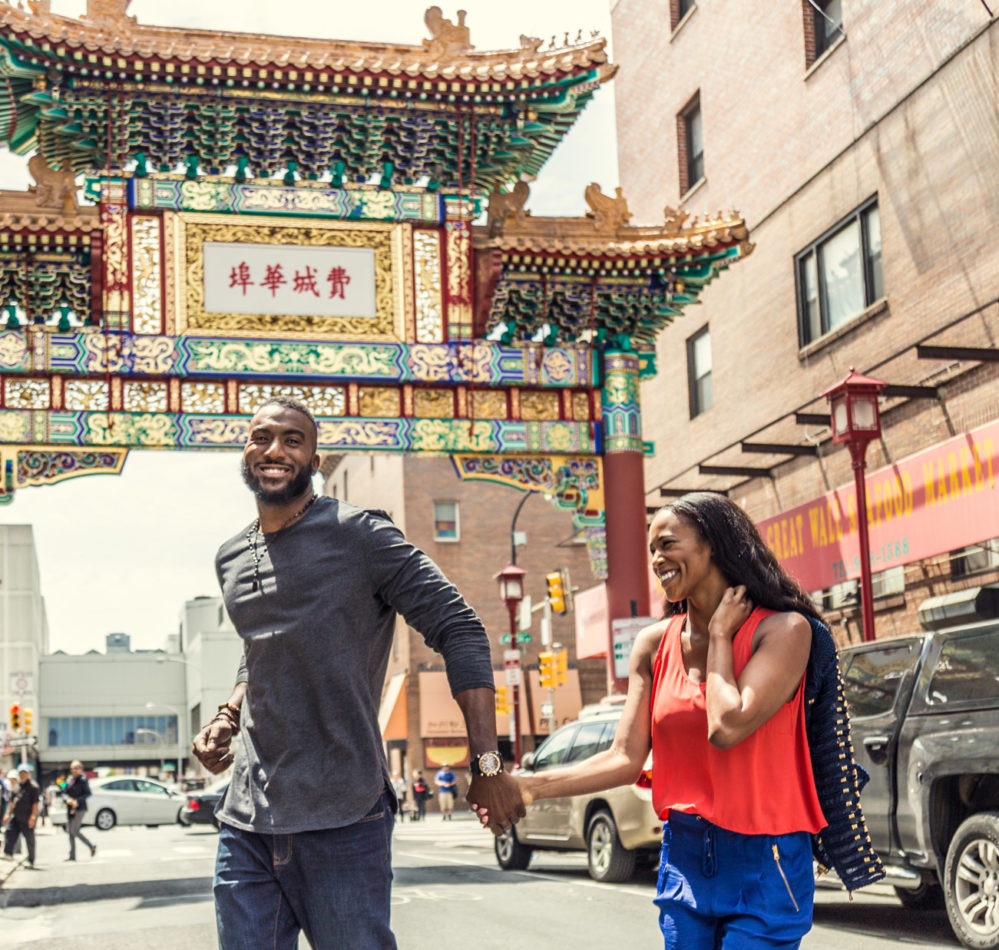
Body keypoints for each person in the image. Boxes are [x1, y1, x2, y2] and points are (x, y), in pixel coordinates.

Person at [192, 396, 524, 950]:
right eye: (261, 437)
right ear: (245, 451)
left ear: (315, 461)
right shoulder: (231, 556)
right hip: (247, 818)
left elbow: (460, 627)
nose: (275, 450)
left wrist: (487, 762)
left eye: (293, 440)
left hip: (343, 813)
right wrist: (228, 714)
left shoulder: (360, 534)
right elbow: (262, 648)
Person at [479, 493, 880, 949]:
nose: (656, 559)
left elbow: (727, 726)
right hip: (685, 858)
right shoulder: (653, 645)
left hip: (766, 861)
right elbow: (625, 757)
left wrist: (721, 636)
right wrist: (528, 787)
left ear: (711, 544)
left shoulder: (785, 630)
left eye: (667, 544)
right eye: (651, 550)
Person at [2, 763, 39, 868]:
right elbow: (11, 802)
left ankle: (31, 861)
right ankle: (8, 853)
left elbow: (35, 804)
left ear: (28, 774)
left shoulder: (33, 787)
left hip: (27, 817)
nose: (22, 775)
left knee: (29, 839)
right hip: (16, 816)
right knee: (10, 832)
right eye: (21, 773)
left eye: (24, 773)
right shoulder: (16, 786)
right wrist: (7, 814)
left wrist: (33, 817)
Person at [63, 760, 97, 861]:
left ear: (81, 769)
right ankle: (72, 855)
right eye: (73, 768)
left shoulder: (83, 780)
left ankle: (91, 846)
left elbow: (88, 793)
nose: (74, 770)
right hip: (70, 808)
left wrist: (77, 801)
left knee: (74, 831)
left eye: (76, 768)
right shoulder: (69, 780)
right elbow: (63, 792)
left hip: (80, 808)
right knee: (71, 832)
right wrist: (67, 799)